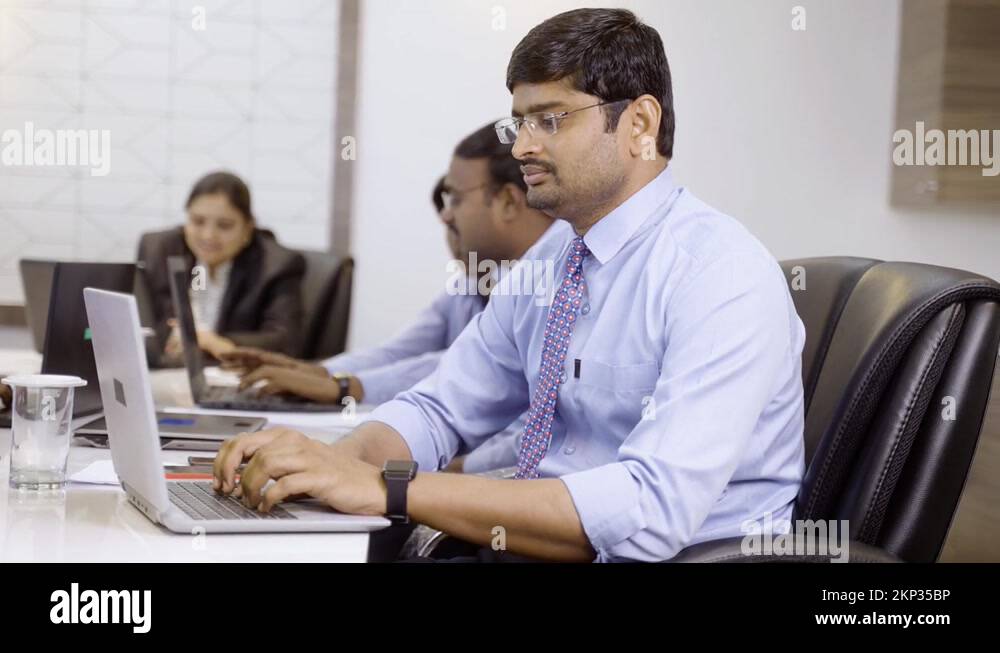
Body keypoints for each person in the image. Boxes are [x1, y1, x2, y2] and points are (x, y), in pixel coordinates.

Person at [212, 8, 806, 563]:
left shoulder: (720, 274)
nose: (522, 146)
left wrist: (389, 489)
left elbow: (651, 509)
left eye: (549, 119)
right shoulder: (554, 262)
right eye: (519, 121)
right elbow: (440, 409)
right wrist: (327, 463)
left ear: (639, 124)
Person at [220, 124, 554, 473]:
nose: (446, 216)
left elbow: (463, 373)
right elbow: (414, 357)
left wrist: (343, 389)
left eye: (456, 198)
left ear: (509, 202)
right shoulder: (485, 279)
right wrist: (317, 375)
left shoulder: (550, 282)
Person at [137, 171, 305, 363]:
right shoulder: (159, 248)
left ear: (248, 229)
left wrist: (208, 341)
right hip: (170, 372)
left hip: (234, 377)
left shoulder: (277, 265)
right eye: (198, 221)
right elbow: (143, 323)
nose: (208, 236)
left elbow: (286, 341)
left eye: (224, 226)